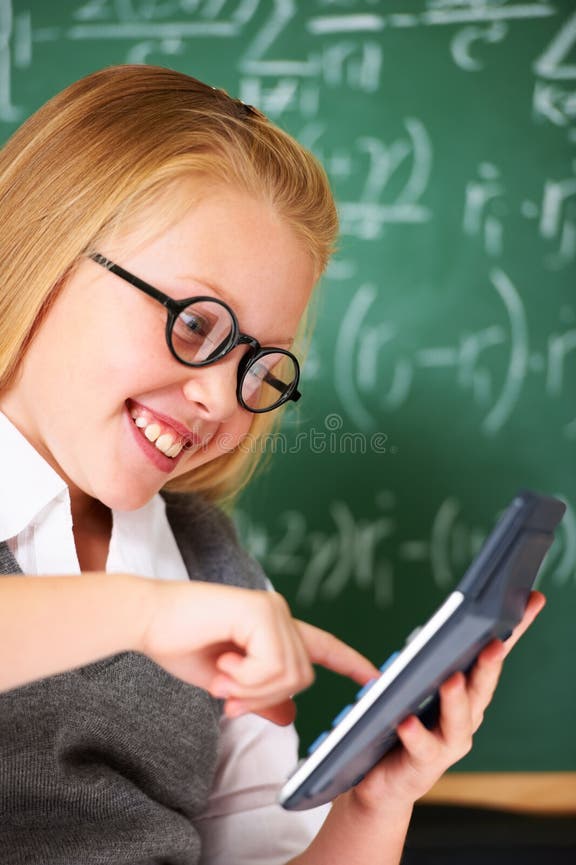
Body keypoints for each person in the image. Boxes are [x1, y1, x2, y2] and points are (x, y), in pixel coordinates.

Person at [0, 64, 544, 865]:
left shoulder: (216, 570)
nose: (221, 398)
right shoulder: (186, 607)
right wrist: (145, 616)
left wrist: (374, 802)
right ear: (44, 247)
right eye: (193, 324)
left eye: (259, 365)